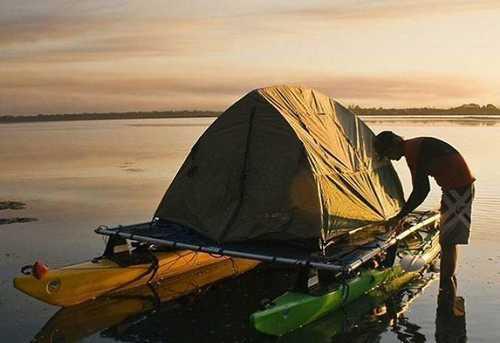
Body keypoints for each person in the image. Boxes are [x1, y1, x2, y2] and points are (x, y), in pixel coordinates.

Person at [374, 131, 475, 315]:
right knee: (447, 239)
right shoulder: (414, 147)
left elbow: (421, 190)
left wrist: (400, 215)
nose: (390, 159)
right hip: (453, 188)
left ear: (395, 142)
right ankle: (448, 290)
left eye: (387, 153)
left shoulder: (414, 152)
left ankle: (446, 287)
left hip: (459, 189)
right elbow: (421, 188)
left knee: (448, 241)